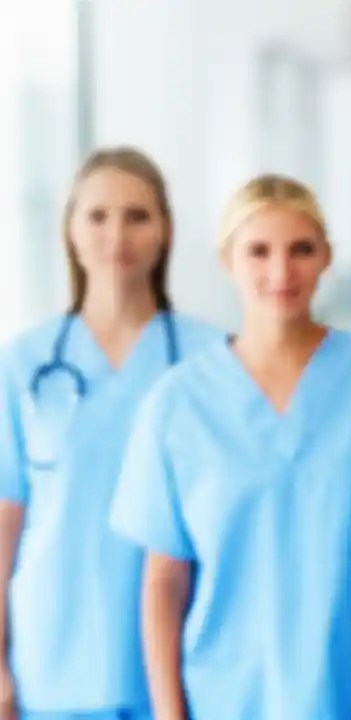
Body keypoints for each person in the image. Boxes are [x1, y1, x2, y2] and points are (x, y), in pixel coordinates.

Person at [109, 175, 351, 718]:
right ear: (227, 260)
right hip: (223, 700)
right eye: (259, 251)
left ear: (326, 256)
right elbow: (165, 581)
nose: (281, 271)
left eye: (301, 250)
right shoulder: (178, 402)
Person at [0, 148, 222, 720]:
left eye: (137, 216)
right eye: (98, 216)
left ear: (165, 230)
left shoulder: (213, 360)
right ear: (70, 230)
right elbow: (4, 524)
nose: (117, 235)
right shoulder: (24, 363)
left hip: (180, 660)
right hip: (53, 659)